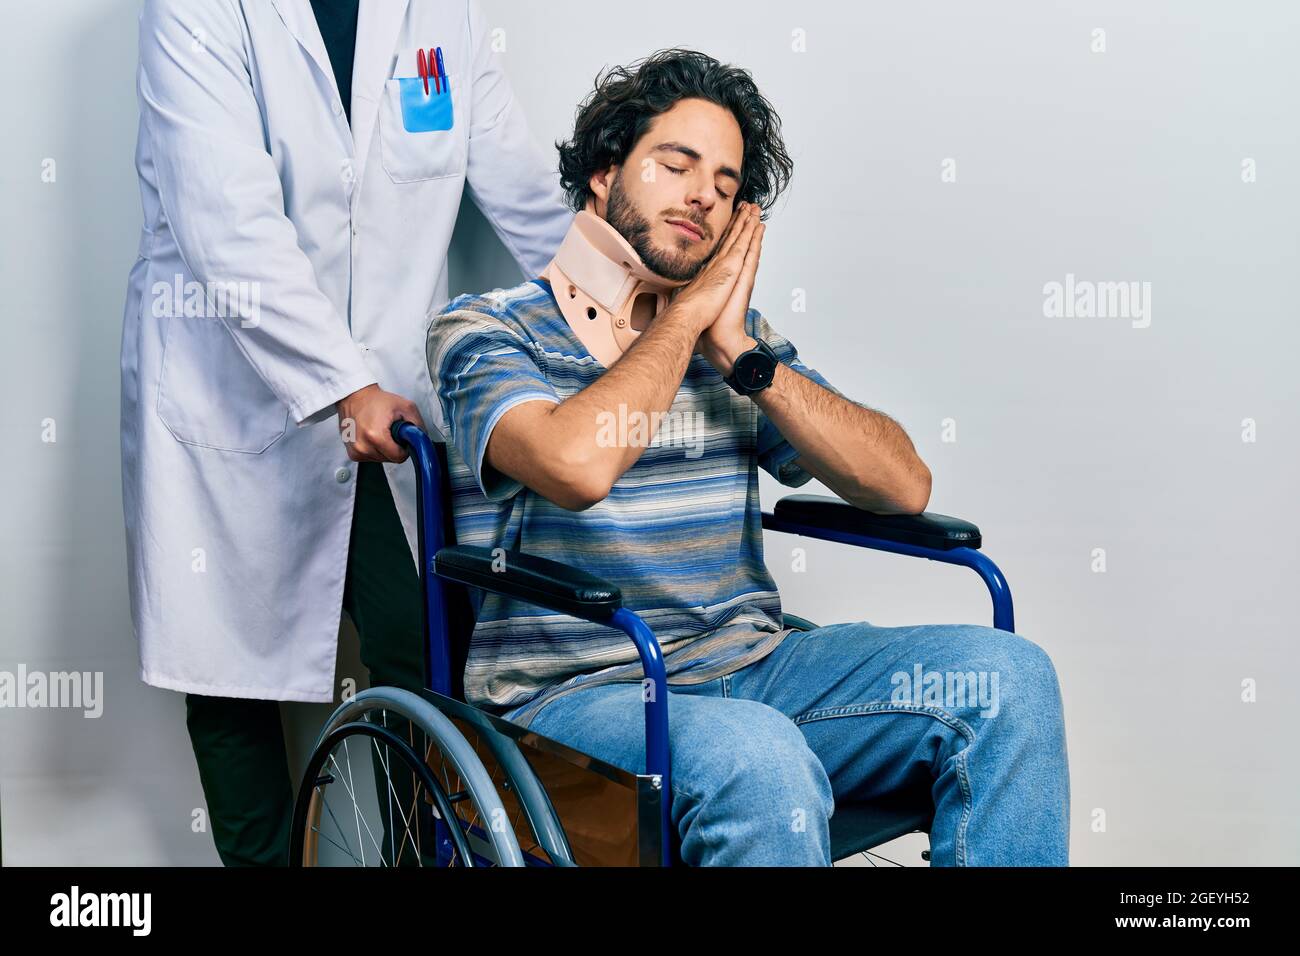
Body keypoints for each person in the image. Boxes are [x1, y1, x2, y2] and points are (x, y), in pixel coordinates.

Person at [426, 48, 1070, 866]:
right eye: (676, 165)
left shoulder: (737, 347)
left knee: (1007, 680)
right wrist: (688, 317)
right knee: (754, 757)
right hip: (573, 704)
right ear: (602, 174)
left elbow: (902, 485)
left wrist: (742, 355)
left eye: (727, 187)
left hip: (756, 670)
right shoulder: (485, 329)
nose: (703, 195)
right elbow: (576, 466)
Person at [120, 0, 571, 865]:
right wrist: (342, 383)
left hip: (387, 395)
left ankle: (413, 856)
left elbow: (522, 190)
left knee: (422, 648)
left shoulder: (443, 13)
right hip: (236, 383)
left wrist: (632, 307)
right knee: (228, 677)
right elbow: (227, 225)